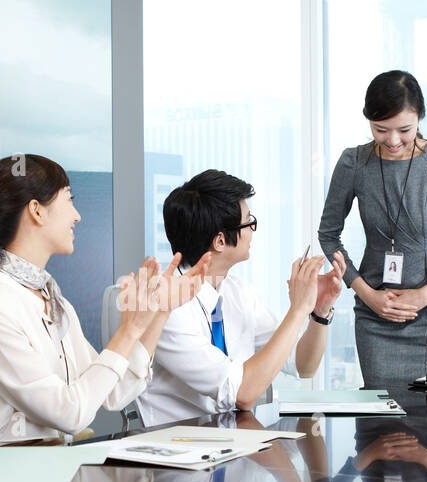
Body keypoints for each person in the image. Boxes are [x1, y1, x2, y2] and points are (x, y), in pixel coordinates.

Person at [0, 154, 207, 446]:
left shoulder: (53, 300)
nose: (77, 215)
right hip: (5, 480)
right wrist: (129, 329)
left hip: (50, 469)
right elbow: (70, 414)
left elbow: (115, 392)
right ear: (37, 211)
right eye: (69, 200)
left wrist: (160, 311)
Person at [319, 70, 427, 384]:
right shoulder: (354, 163)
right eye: (380, 130)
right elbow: (328, 234)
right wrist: (366, 293)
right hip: (375, 318)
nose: (393, 141)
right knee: (379, 422)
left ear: (420, 118)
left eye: (405, 129)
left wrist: (425, 295)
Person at [135, 169, 345, 427]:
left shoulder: (237, 292)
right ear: (220, 241)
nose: (253, 230)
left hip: (234, 441)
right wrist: (298, 309)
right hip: (182, 451)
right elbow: (241, 394)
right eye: (249, 222)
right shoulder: (167, 305)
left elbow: (303, 365)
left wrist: (318, 312)